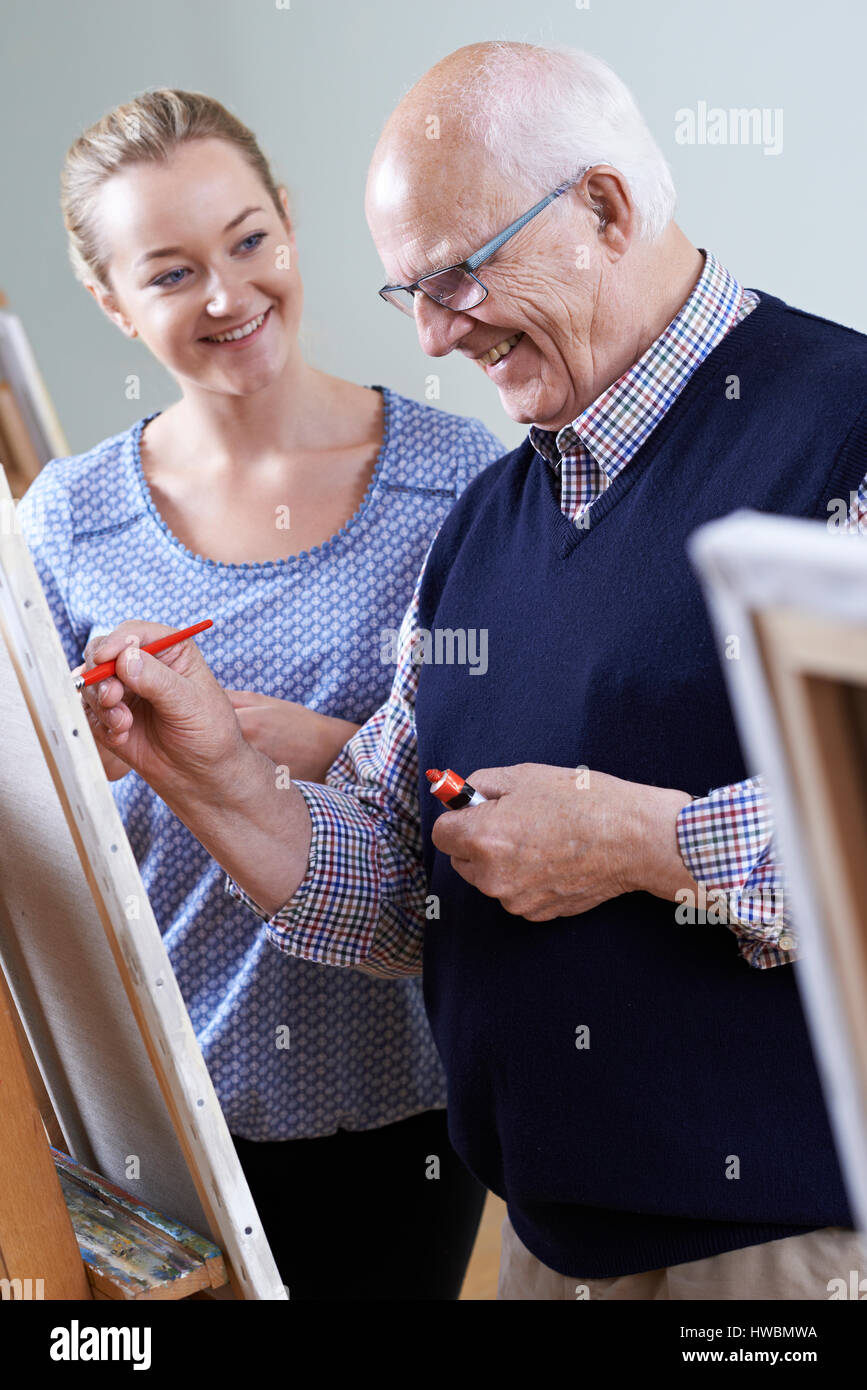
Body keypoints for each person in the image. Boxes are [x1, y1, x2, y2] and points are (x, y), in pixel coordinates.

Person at [71, 44, 867, 1300]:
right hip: (546, 1247)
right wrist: (213, 770)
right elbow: (399, 883)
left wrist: (643, 842)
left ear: (603, 208)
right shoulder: (486, 517)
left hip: (781, 1257)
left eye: (456, 274)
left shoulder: (846, 430)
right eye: (409, 296)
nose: (437, 337)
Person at [16, 87, 508, 1300]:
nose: (229, 295)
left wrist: (324, 748)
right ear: (111, 300)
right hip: (154, 1106)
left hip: (401, 1102)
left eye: (248, 241)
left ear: (290, 221)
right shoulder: (65, 522)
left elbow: (509, 792)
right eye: (173, 272)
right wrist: (81, 761)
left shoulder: (463, 484)